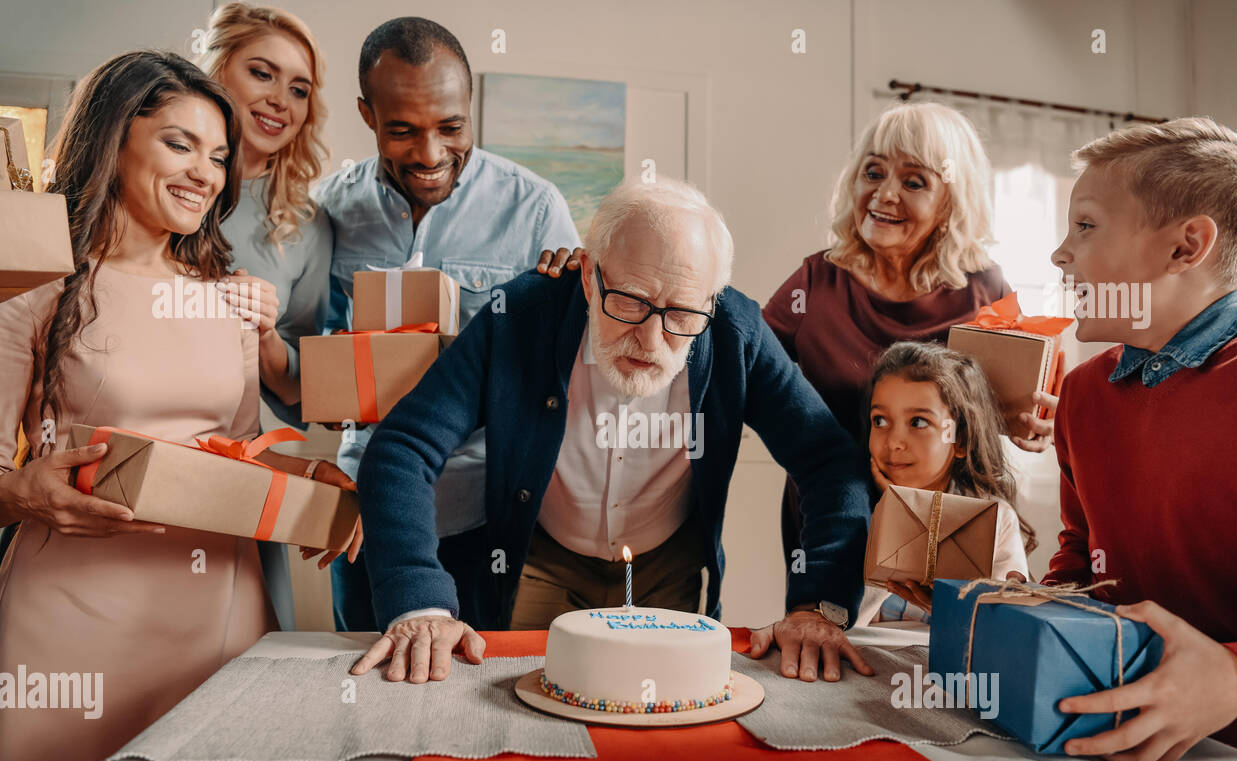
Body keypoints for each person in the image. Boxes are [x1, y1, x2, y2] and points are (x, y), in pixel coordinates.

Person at [0, 51, 359, 761]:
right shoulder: (36, 286)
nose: (206, 172)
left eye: (219, 156)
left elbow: (240, 450)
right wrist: (26, 491)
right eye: (180, 145)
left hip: (217, 616)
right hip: (71, 624)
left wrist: (317, 482)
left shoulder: (229, 300)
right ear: (113, 140)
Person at [349, 178, 873, 687]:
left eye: (683, 314)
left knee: (666, 719)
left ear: (712, 302)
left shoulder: (739, 332)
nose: (650, 339)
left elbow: (828, 460)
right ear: (587, 275)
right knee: (528, 706)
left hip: (670, 564)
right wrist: (419, 601)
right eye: (629, 300)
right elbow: (403, 448)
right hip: (541, 558)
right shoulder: (520, 318)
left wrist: (821, 604)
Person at [1043, 117, 1237, 761]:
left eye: (1087, 225)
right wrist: (1023, 605)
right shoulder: (1083, 394)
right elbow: (1082, 560)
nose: (1060, 254)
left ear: (1187, 246)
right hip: (1122, 748)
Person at [313, 16, 582, 632]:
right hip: (366, 511)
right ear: (366, 114)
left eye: (451, 128)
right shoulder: (330, 208)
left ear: (470, 106)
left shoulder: (536, 208)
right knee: (369, 688)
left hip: (493, 515)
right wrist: (328, 391)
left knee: (486, 700)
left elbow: (570, 372)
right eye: (402, 131)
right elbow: (311, 358)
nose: (431, 155)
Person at [763, 102, 1055, 572]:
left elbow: (1014, 409)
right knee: (830, 635)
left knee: (943, 643)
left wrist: (1039, 426)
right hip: (830, 520)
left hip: (948, 523)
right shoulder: (817, 280)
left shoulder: (985, 290)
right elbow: (748, 372)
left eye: (914, 182)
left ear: (950, 204)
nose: (884, 195)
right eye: (873, 172)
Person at [198, 2, 350, 630]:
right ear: (216, 69)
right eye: (262, 73)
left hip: (231, 469)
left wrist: (264, 334)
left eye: (299, 89)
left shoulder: (307, 227)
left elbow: (301, 392)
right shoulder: (144, 175)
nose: (279, 101)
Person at [861, 341, 1031, 623]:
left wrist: (946, 608)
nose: (893, 442)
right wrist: (894, 518)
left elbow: (1004, 624)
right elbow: (839, 622)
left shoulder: (994, 518)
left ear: (959, 439)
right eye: (880, 421)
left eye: (917, 422)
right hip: (869, 655)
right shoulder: (854, 509)